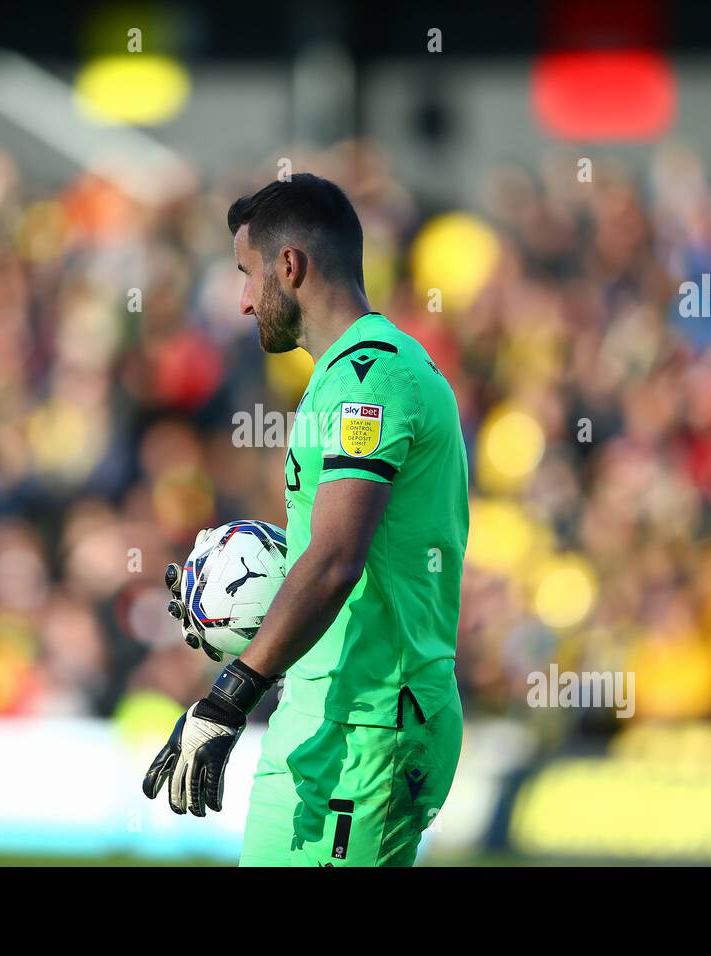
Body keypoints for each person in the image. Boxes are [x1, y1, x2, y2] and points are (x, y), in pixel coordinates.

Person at [142, 173, 470, 866]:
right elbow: (335, 558)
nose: (239, 299)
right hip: (326, 713)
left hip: (371, 720)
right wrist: (231, 601)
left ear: (288, 267)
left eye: (245, 274)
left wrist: (229, 698)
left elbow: (336, 559)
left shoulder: (371, 379)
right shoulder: (345, 374)